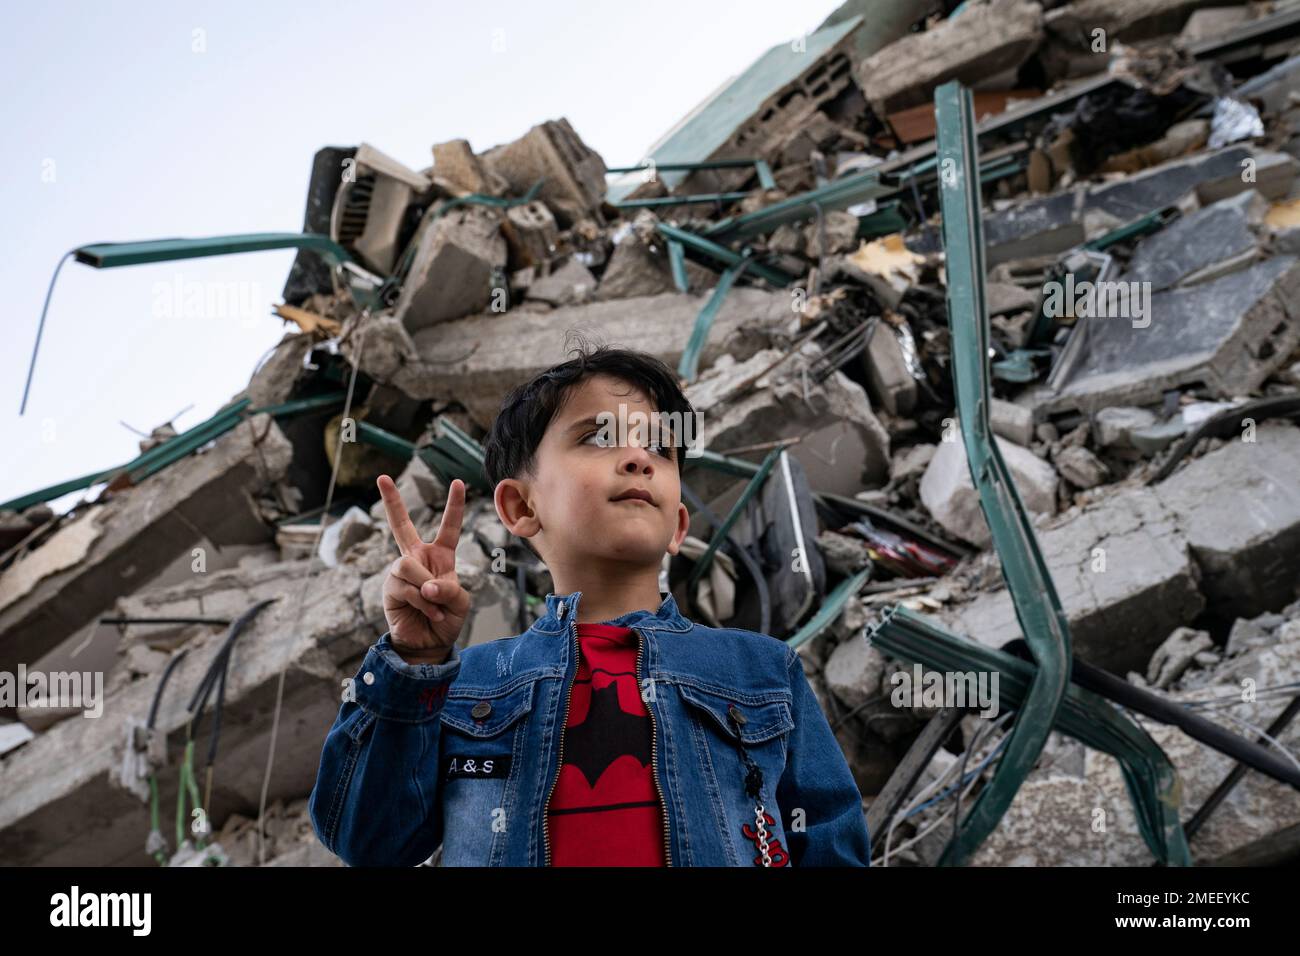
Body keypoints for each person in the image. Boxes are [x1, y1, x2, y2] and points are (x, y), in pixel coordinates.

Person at [308, 343, 871, 866]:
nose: (638, 460)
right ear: (522, 507)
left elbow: (831, 841)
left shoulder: (764, 671)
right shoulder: (465, 687)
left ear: (678, 525)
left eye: (658, 446)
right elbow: (369, 839)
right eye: (599, 437)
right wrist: (414, 663)